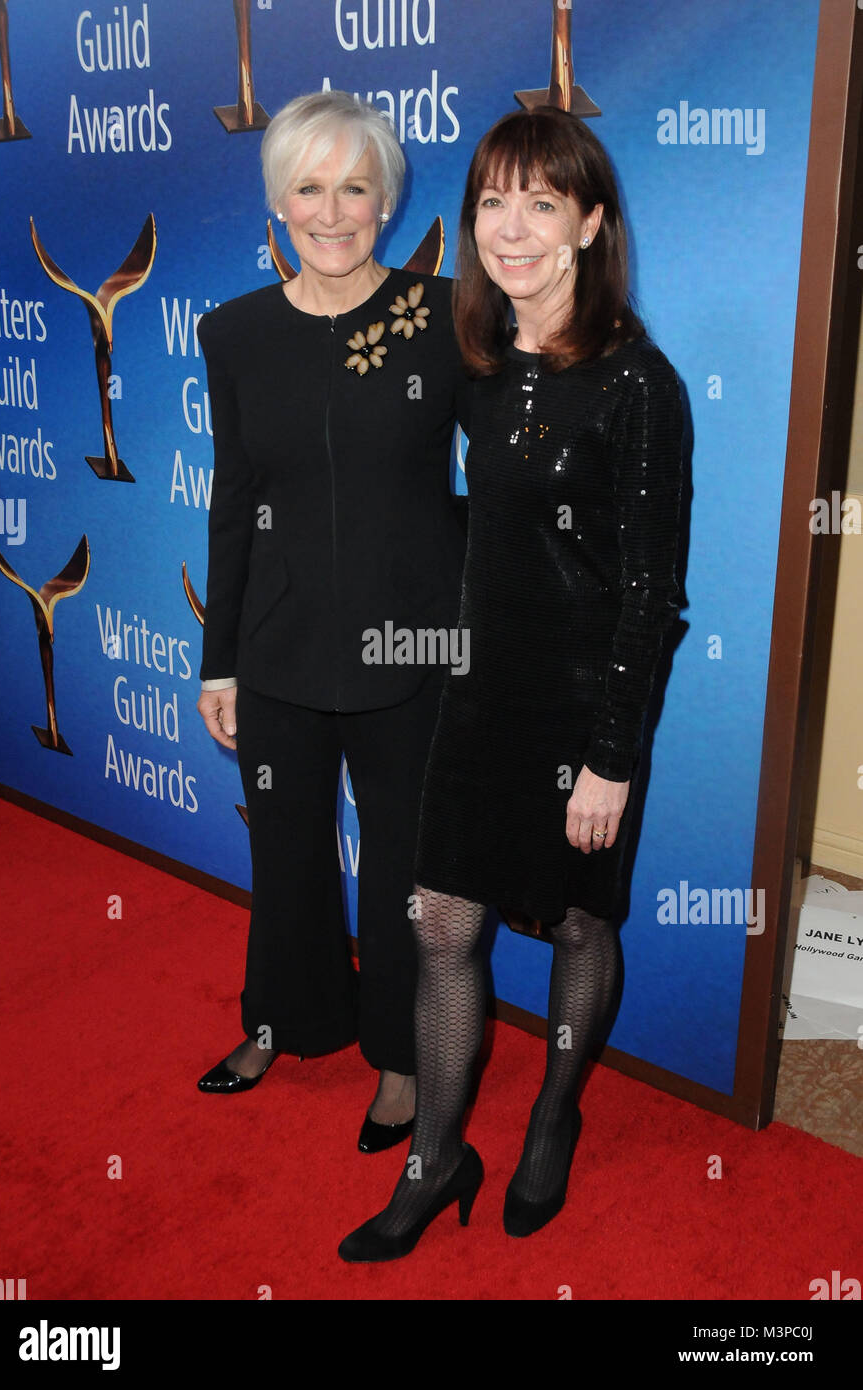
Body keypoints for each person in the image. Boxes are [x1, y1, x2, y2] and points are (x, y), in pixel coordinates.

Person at [339, 106, 684, 1260]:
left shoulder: (641, 385)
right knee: (444, 929)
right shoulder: (476, 361)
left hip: (584, 714)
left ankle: (553, 1112)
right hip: (479, 700)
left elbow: (652, 593)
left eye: (544, 202)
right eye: (494, 200)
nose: (513, 226)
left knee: (582, 924)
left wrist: (612, 760)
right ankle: (439, 1158)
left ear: (590, 222)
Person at [195, 90, 469, 1154]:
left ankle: (401, 1060)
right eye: (310, 186)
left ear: (386, 200)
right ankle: (281, 1021)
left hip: (412, 654)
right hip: (278, 650)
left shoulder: (444, 316)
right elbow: (232, 502)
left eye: (356, 186)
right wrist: (219, 662)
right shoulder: (236, 333)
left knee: (404, 867)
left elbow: (491, 484)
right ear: (277, 202)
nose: (334, 209)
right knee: (289, 854)